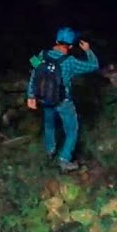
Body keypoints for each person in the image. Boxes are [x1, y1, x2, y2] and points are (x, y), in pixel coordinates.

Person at [27, 27, 100, 171]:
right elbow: (94, 65)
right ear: (71, 46)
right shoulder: (70, 61)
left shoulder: (42, 54)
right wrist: (88, 50)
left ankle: (49, 151)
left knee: (49, 126)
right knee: (72, 130)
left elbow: (34, 74)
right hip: (63, 101)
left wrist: (31, 96)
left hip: (45, 99)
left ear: (56, 41)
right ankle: (64, 159)